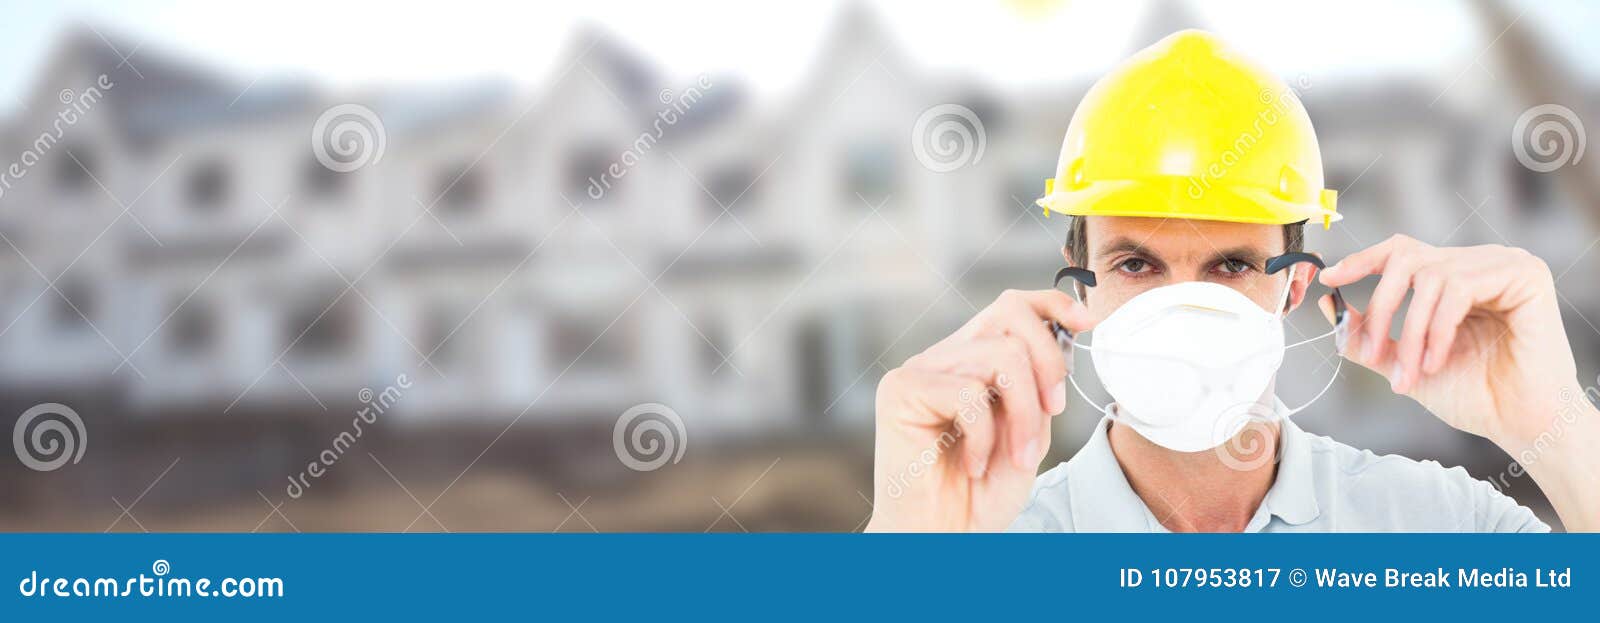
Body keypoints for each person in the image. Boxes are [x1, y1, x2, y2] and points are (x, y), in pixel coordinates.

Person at [866, 30, 1599, 532]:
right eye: (1136, 263)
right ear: (1078, 288)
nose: (1186, 306)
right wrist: (901, 561)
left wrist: (1556, 428)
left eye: (1232, 265)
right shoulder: (985, 543)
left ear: (1295, 287)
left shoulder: (1433, 527)